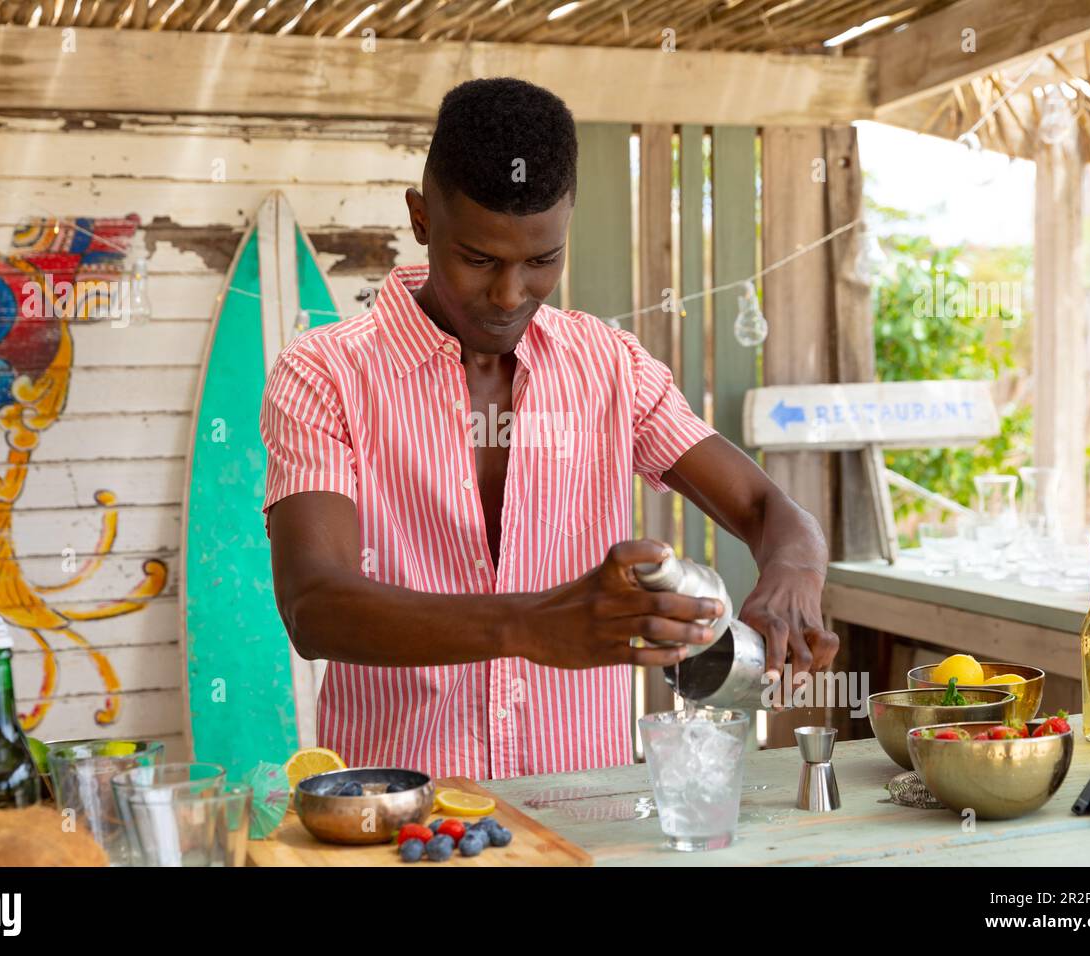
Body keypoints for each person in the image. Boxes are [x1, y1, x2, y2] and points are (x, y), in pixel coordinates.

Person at [261, 76, 837, 780]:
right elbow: (314, 605)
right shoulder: (324, 374)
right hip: (404, 824)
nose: (509, 296)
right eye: (478, 260)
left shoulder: (609, 365)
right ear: (420, 218)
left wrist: (793, 573)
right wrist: (531, 625)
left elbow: (767, 509)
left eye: (541, 262)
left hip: (587, 820)